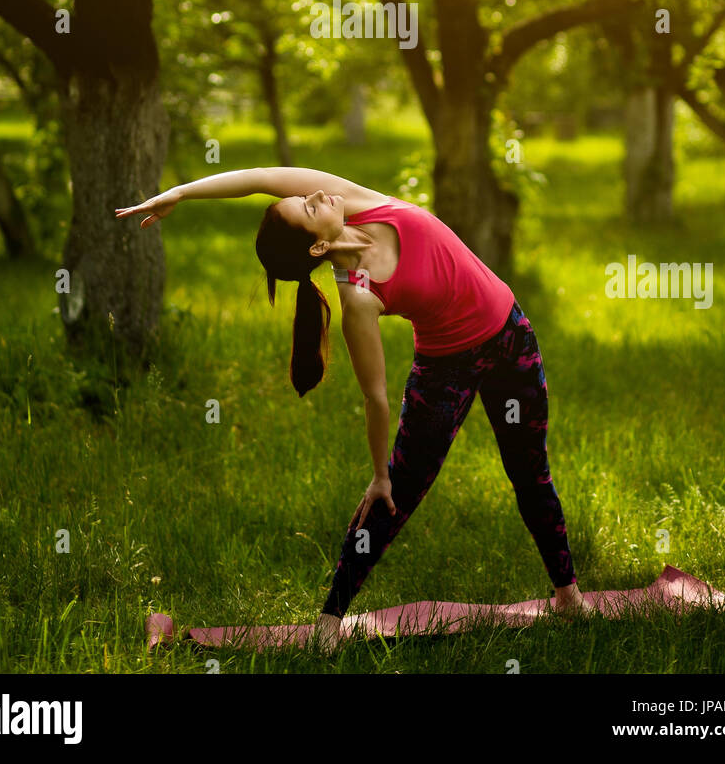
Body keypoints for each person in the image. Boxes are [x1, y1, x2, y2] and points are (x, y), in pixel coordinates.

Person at [116, 166, 592, 649]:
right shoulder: (359, 295)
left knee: (530, 473)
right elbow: (376, 397)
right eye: (307, 206)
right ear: (317, 248)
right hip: (446, 367)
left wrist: (178, 193)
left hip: (511, 334)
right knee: (394, 495)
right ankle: (329, 622)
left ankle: (568, 595)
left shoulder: (355, 199)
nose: (316, 193)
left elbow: (258, 177)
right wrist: (379, 473)